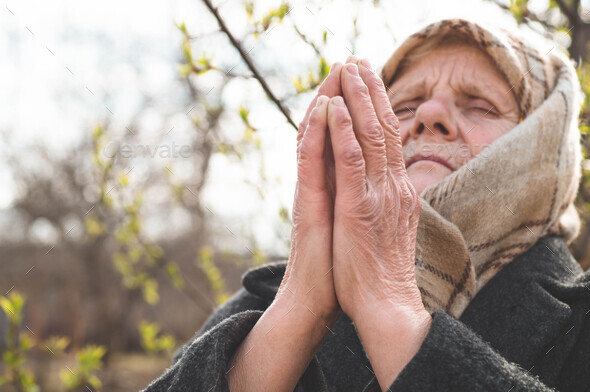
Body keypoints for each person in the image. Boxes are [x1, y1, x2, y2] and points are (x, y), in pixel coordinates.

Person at [143, 18, 590, 392]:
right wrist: (299, 309)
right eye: (404, 105)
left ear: (543, 146)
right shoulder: (263, 305)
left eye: (479, 106)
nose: (427, 116)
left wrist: (390, 312)